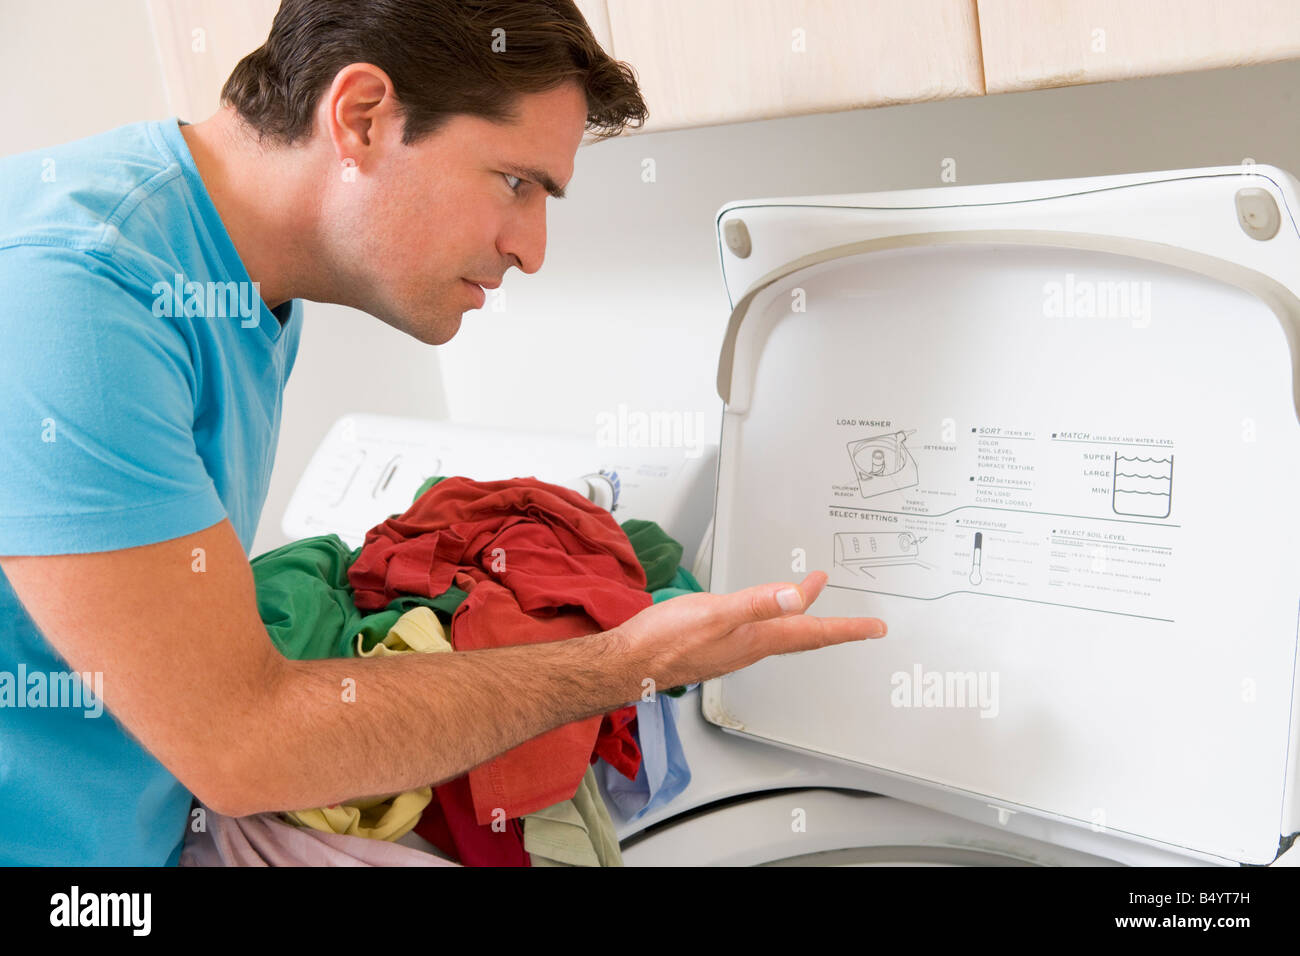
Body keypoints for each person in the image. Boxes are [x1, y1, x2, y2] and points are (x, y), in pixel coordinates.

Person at [0, 0, 887, 866]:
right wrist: (617, 663)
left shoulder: (242, 283)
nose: (532, 248)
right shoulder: (78, 297)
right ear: (362, 119)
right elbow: (243, 744)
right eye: (516, 181)